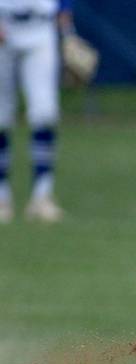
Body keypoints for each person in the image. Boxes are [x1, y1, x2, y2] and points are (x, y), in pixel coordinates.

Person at [0, 0, 73, 224]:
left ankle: (42, 195)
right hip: (4, 24)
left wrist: (67, 23)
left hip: (42, 28)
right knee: (1, 115)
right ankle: (1, 197)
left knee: (45, 113)